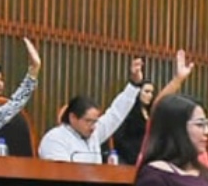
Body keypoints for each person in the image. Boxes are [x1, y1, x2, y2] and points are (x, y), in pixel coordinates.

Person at [40, 52, 177, 162]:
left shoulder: (93, 134)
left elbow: (115, 114)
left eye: (95, 121)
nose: (94, 126)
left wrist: (135, 84)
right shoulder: (54, 139)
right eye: (88, 121)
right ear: (72, 117)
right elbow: (61, 176)